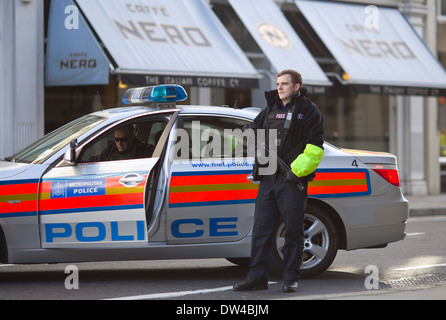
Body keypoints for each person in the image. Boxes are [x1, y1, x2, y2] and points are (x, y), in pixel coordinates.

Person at [233, 70, 325, 293]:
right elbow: (251, 135)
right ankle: (257, 277)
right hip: (268, 179)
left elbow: (315, 147)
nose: (280, 87)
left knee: (292, 231)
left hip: (291, 181)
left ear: (296, 87)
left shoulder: (308, 110)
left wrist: (297, 171)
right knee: (261, 231)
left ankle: (291, 278)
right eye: (278, 83)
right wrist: (247, 134)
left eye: (285, 84)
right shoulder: (269, 110)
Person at [88, 124, 153, 162]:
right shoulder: (111, 149)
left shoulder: (144, 151)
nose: (119, 143)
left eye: (123, 140)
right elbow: (97, 160)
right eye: (116, 139)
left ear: (132, 138)